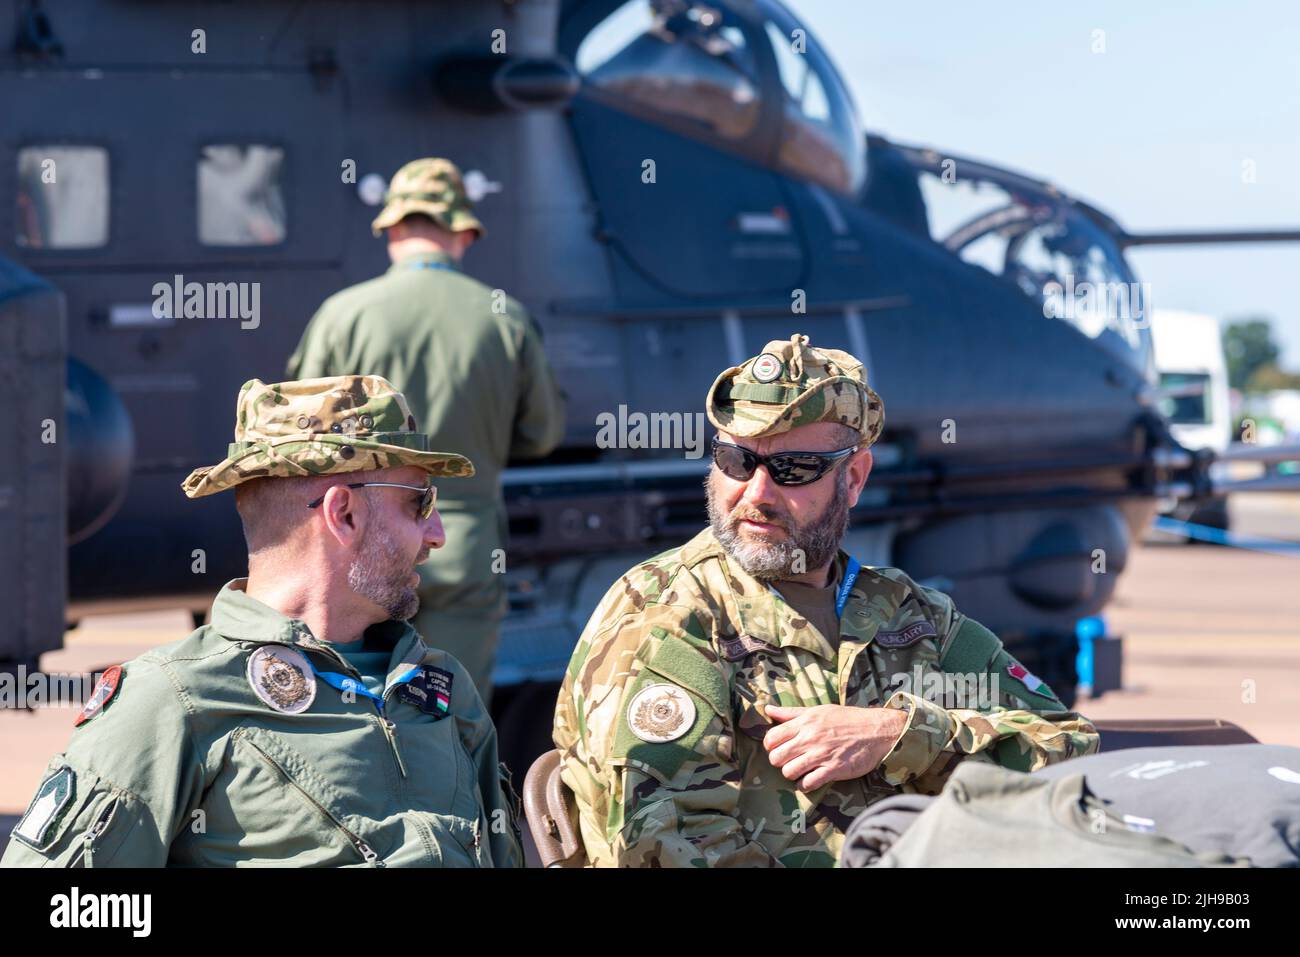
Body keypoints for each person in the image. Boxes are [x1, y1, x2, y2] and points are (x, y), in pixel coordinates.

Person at [552, 333, 1100, 867]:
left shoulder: (911, 615)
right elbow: (660, 843)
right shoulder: (668, 614)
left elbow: (1070, 754)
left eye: (793, 470)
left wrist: (904, 736)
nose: (757, 493)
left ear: (854, 477)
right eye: (737, 461)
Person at [1, 375, 522, 867]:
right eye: (419, 503)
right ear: (343, 514)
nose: (437, 534)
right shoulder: (172, 702)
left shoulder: (444, 691)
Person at [287, 157, 565, 702]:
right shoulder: (504, 316)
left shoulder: (341, 314)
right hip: (463, 546)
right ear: (462, 233)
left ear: (390, 229)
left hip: (357, 541)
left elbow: (300, 440)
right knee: (451, 712)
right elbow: (541, 435)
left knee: (350, 709)